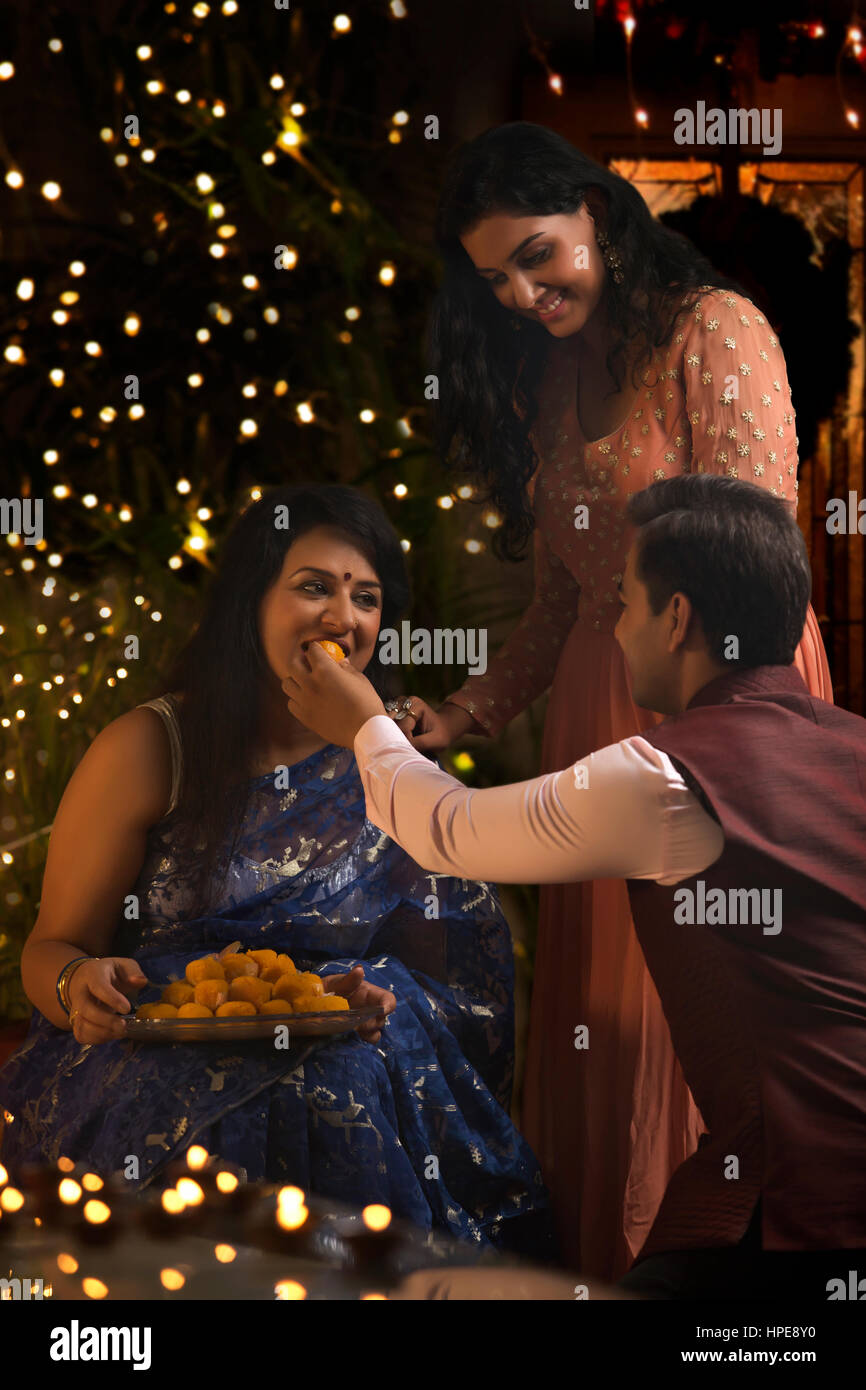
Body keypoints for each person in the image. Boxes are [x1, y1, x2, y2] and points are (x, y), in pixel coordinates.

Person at [393, 121, 833, 1279]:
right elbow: (558, 600)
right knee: (605, 1012)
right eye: (496, 279)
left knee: (698, 1017)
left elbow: (752, 564)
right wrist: (469, 712)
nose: (524, 295)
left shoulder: (713, 331)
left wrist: (703, 730)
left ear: (599, 209)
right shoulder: (552, 372)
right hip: (601, 690)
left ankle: (715, 1286)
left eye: (539, 256)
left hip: (711, 689)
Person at [284, 474, 866, 1300]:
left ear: (677, 619)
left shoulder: (665, 781)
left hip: (796, 1214)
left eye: (623, 605)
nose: (618, 632)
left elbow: (452, 830)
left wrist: (362, 725)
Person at [0, 484, 552, 1257]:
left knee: (341, 1084)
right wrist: (75, 988)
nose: (344, 617)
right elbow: (50, 948)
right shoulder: (154, 746)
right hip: (155, 1051)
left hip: (348, 1057)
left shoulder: (387, 757)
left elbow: (457, 976)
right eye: (313, 587)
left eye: (366, 597)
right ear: (248, 604)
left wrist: (377, 996)